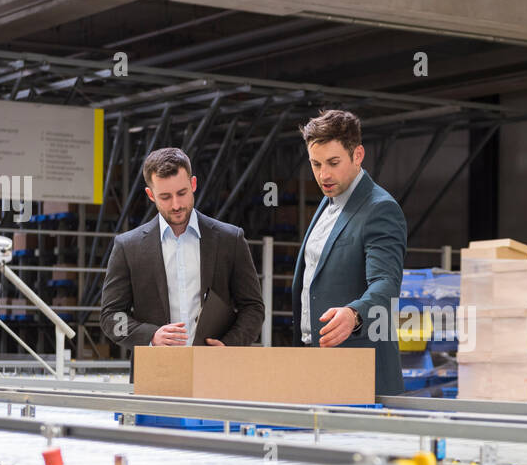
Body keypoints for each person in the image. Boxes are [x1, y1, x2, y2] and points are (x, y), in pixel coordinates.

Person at [100, 147, 264, 368]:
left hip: (216, 369)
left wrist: (229, 345)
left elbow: (253, 308)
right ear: (150, 195)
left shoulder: (230, 239)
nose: (176, 205)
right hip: (154, 371)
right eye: (165, 197)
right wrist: (150, 336)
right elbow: (111, 316)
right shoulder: (128, 247)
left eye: (182, 193)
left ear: (193, 184)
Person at [293, 109, 406, 396]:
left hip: (359, 367)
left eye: (333, 162)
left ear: (358, 155)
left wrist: (355, 313)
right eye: (316, 164)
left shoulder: (380, 208)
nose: (323, 175)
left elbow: (386, 283)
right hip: (315, 362)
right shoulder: (327, 203)